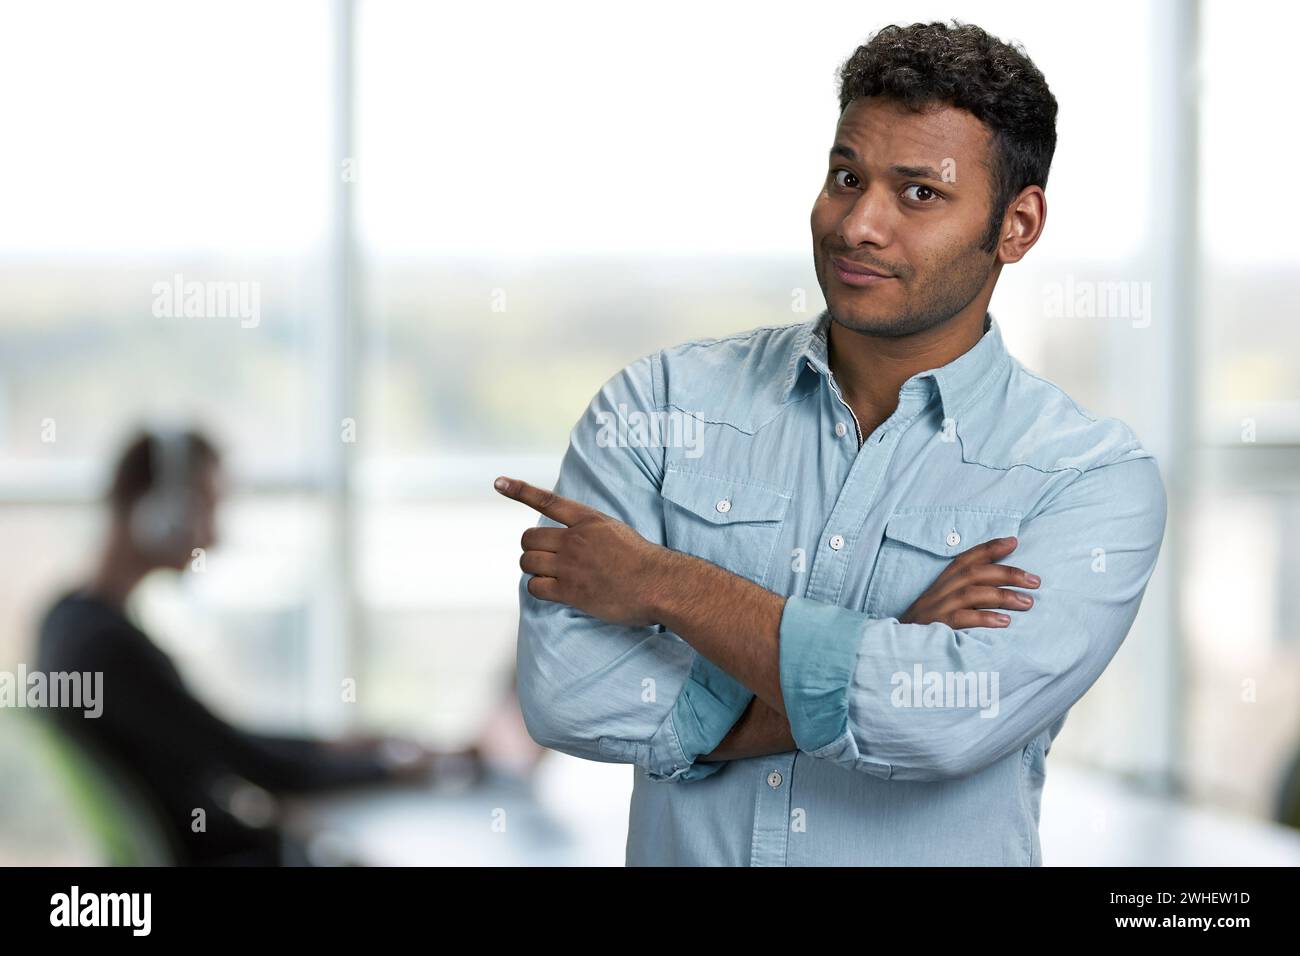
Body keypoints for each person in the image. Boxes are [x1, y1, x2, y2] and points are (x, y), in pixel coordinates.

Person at [500, 21, 1167, 865]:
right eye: (846, 177)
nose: (858, 224)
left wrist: (663, 583)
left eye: (919, 193)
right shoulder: (658, 406)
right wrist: (888, 641)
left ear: (1017, 226)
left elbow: (938, 722)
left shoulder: (1088, 479)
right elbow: (570, 696)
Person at [36, 426, 474, 865]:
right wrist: (391, 767)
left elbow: (220, 739)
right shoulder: (105, 646)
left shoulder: (68, 620)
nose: (213, 537)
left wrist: (339, 747)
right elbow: (252, 763)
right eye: (206, 506)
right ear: (158, 511)